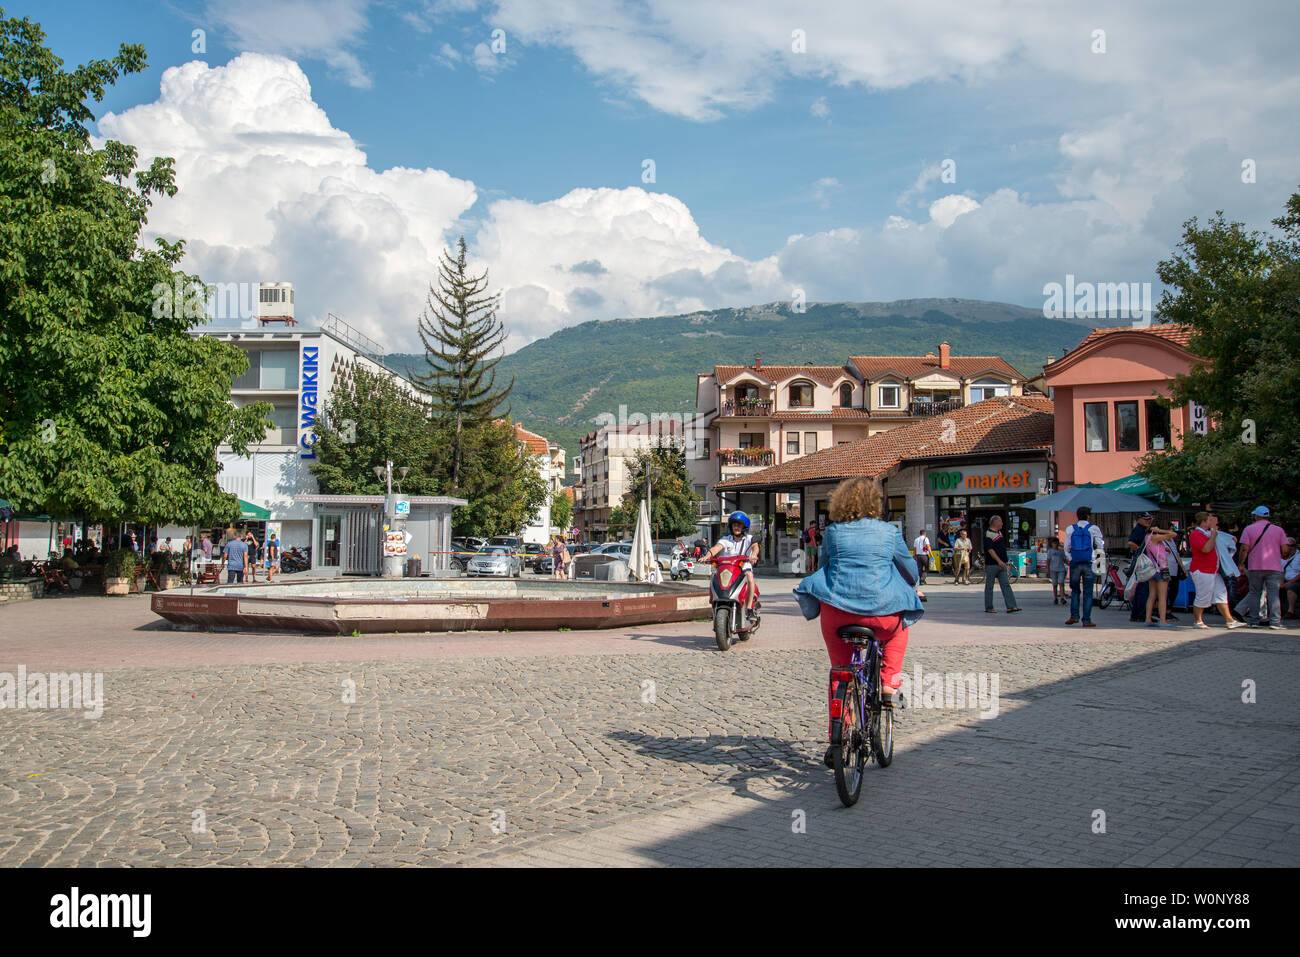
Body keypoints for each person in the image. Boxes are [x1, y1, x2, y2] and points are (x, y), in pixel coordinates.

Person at [793, 477, 923, 769]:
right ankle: (889, 683)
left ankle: (836, 740)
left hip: (837, 614)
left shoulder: (834, 532)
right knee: (898, 631)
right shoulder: (889, 532)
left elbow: (825, 567)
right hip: (881, 614)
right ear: (875, 503)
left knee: (840, 673)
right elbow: (910, 570)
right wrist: (911, 585)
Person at [1188, 511, 1246, 630]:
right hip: (1202, 570)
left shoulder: (1209, 533)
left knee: (1221, 594)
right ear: (1203, 522)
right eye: (1209, 520)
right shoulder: (1196, 534)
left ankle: (1229, 620)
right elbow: (1206, 549)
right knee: (1203, 596)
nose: (1212, 523)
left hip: (1213, 570)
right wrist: (1214, 536)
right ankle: (1197, 620)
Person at [1234, 505, 1286, 629]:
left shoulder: (1249, 529)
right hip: (1274, 567)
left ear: (1256, 516)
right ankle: (1275, 622)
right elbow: (1284, 550)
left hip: (1255, 566)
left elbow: (1244, 548)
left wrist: (1241, 563)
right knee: (1273, 594)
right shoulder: (1279, 530)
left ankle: (1254, 621)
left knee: (1254, 593)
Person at [707, 512, 760, 615]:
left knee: (750, 576)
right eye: (734, 525)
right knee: (713, 578)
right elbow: (716, 548)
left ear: (744, 526)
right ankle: (714, 607)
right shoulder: (726, 539)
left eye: (739, 525)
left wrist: (753, 555)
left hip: (744, 566)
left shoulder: (749, 538)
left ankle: (749, 609)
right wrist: (707, 556)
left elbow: (755, 547)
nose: (736, 527)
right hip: (728, 567)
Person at [1063, 506, 1105, 626]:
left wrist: (1071, 558)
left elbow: (1067, 547)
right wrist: (1099, 563)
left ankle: (1074, 616)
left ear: (1077, 516)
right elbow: (1100, 546)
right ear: (1088, 516)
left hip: (1075, 563)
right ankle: (1086, 620)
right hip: (1089, 562)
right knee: (1088, 593)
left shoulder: (1070, 529)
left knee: (1075, 590)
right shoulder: (1094, 528)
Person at [1142, 523, 1178, 626]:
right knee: (1163, 596)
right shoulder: (1155, 537)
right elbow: (1173, 534)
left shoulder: (1147, 537)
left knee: (1152, 595)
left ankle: (1148, 619)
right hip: (1162, 569)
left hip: (1152, 569)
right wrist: (1161, 530)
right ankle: (1162, 620)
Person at [983, 515, 1021, 613]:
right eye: (1001, 522)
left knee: (1006, 585)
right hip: (992, 564)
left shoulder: (999, 533)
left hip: (1002, 564)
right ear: (995, 523)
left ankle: (1011, 606)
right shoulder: (988, 534)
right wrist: (999, 561)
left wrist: (1004, 560)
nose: (1002, 524)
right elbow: (990, 550)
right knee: (989, 586)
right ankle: (989, 607)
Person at [1281, 537, 1299, 619]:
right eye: (1287, 545)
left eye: (1291, 546)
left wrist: (1288, 583)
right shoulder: (1282, 557)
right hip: (1284, 580)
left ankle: (1290, 611)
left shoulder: (1298, 557)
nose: (1289, 548)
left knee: (1292, 587)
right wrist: (1282, 583)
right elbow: (1282, 571)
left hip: (1296, 580)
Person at [1046, 537, 1067, 605]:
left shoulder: (1061, 551)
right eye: (1054, 543)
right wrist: (1048, 569)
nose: (1055, 544)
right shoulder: (1050, 551)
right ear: (1051, 544)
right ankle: (1055, 598)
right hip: (1053, 569)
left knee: (1061, 583)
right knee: (1055, 584)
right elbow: (1048, 561)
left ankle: (1062, 598)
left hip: (1061, 569)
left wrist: (1069, 563)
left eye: (1056, 543)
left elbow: (1064, 559)